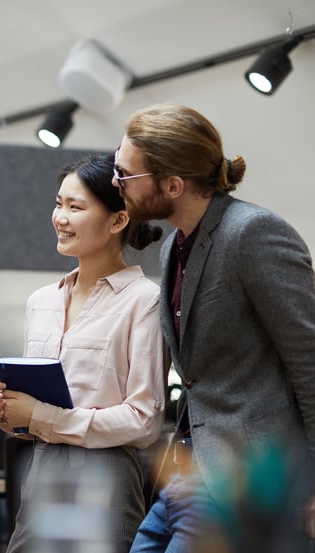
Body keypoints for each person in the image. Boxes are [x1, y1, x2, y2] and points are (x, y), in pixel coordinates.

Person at [115, 103, 315, 553]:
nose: (115, 181)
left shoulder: (254, 233)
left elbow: (309, 359)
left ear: (172, 184)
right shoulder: (171, 250)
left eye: (125, 174)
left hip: (246, 477)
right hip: (186, 468)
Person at [0, 153, 166, 553]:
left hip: (108, 475)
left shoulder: (145, 300)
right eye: (58, 203)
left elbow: (145, 420)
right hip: (40, 470)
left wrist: (39, 416)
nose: (60, 217)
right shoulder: (41, 301)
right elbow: (37, 413)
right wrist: (8, 413)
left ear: (118, 220)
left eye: (75, 207)